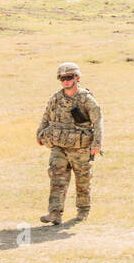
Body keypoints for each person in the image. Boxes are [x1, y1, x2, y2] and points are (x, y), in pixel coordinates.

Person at [36, 62, 102, 224]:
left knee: (83, 179)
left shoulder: (86, 99)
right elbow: (46, 115)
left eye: (69, 77)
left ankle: (83, 210)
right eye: (62, 78)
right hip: (59, 146)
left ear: (77, 78)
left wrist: (97, 144)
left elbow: (98, 121)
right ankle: (55, 213)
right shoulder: (56, 98)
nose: (65, 81)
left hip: (80, 148)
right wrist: (40, 133)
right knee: (57, 178)